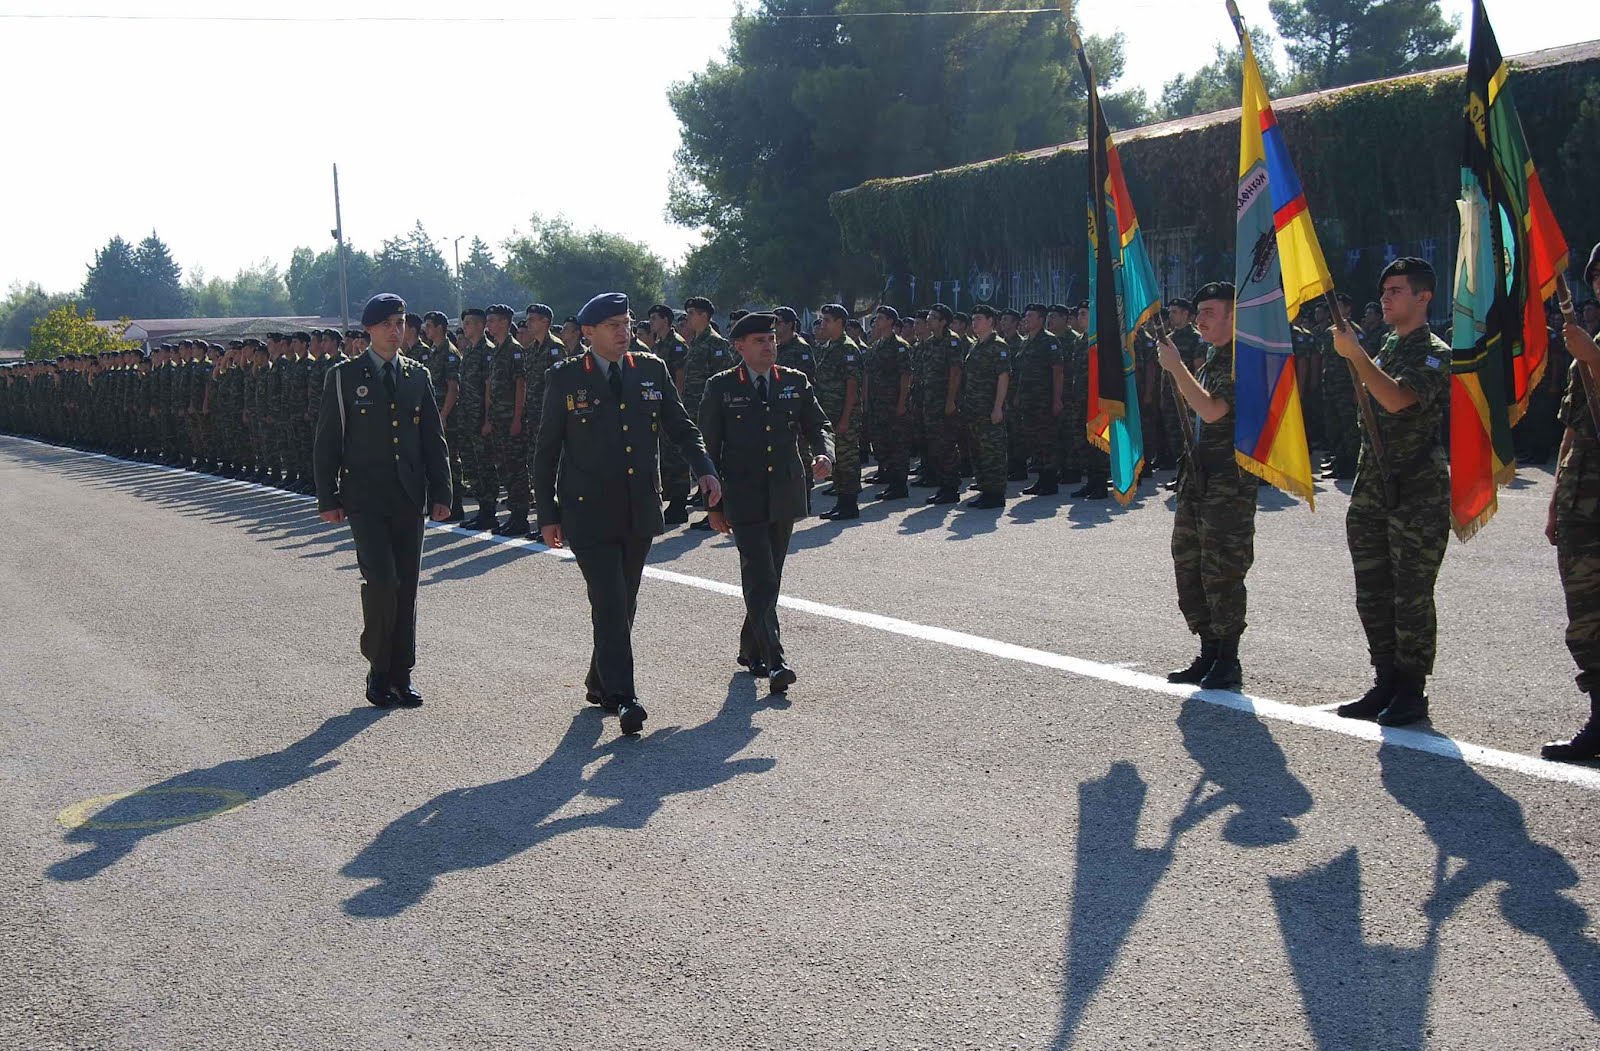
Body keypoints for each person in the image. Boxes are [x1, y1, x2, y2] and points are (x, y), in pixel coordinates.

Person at [533, 292, 720, 736]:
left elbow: (680, 426)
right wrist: (547, 514)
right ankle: (625, 697)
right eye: (613, 325)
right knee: (611, 601)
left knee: (624, 600)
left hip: (638, 506)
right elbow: (546, 451)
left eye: (627, 323)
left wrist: (704, 469)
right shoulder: (565, 378)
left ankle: (600, 681)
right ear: (589, 332)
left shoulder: (650, 369)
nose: (624, 332)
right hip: (587, 511)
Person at [313, 293, 452, 709]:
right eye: (388, 324)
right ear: (369, 330)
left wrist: (442, 491)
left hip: (408, 496)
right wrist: (327, 495)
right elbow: (328, 440)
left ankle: (401, 674)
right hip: (365, 497)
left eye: (401, 323)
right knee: (383, 582)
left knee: (406, 586)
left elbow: (433, 438)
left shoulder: (417, 375)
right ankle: (379, 667)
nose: (396, 331)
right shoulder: (344, 377)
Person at [1331, 258, 1452, 728]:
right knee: (1373, 590)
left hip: (1415, 489)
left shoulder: (1434, 352)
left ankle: (1410, 689)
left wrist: (1356, 357)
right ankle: (1385, 679)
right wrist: (1361, 356)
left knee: (1411, 595)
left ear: (1424, 297)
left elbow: (1398, 399)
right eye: (1383, 290)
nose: (1385, 297)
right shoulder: (1386, 347)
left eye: (1396, 290)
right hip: (1373, 487)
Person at [699, 312, 834, 693]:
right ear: (739, 347)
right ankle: (776, 661)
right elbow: (708, 447)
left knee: (769, 575)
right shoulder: (721, 387)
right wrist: (712, 505)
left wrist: (825, 453)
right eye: (759, 340)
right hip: (742, 495)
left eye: (772, 339)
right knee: (760, 573)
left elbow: (818, 425)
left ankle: (750, 648)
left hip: (784, 491)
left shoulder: (793, 382)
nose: (768, 345)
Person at [1156, 282, 1258, 691]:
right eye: (1198, 312)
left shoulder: (1239, 361)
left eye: (1210, 312)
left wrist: (1176, 368)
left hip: (1228, 482)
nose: (1200, 319)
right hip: (1198, 479)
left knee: (1222, 569)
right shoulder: (1213, 358)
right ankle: (1208, 649)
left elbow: (1214, 411)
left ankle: (1227, 659)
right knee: (1190, 564)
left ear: (1234, 316)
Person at [1543, 241, 1600, 761]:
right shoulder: (1590, 342)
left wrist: (1592, 358)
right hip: (1582, 501)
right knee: (1585, 615)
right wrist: (1556, 497)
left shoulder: (1590, 348)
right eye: (1597, 277)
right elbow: (1573, 428)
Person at [959, 304, 1010, 510]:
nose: (974, 322)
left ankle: (995, 494)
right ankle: (985, 490)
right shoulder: (975, 345)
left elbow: (1003, 377)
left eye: (979, 318)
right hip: (974, 409)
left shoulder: (998, 346)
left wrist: (998, 407)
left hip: (989, 409)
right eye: (973, 319)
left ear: (990, 321)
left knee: (992, 451)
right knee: (978, 451)